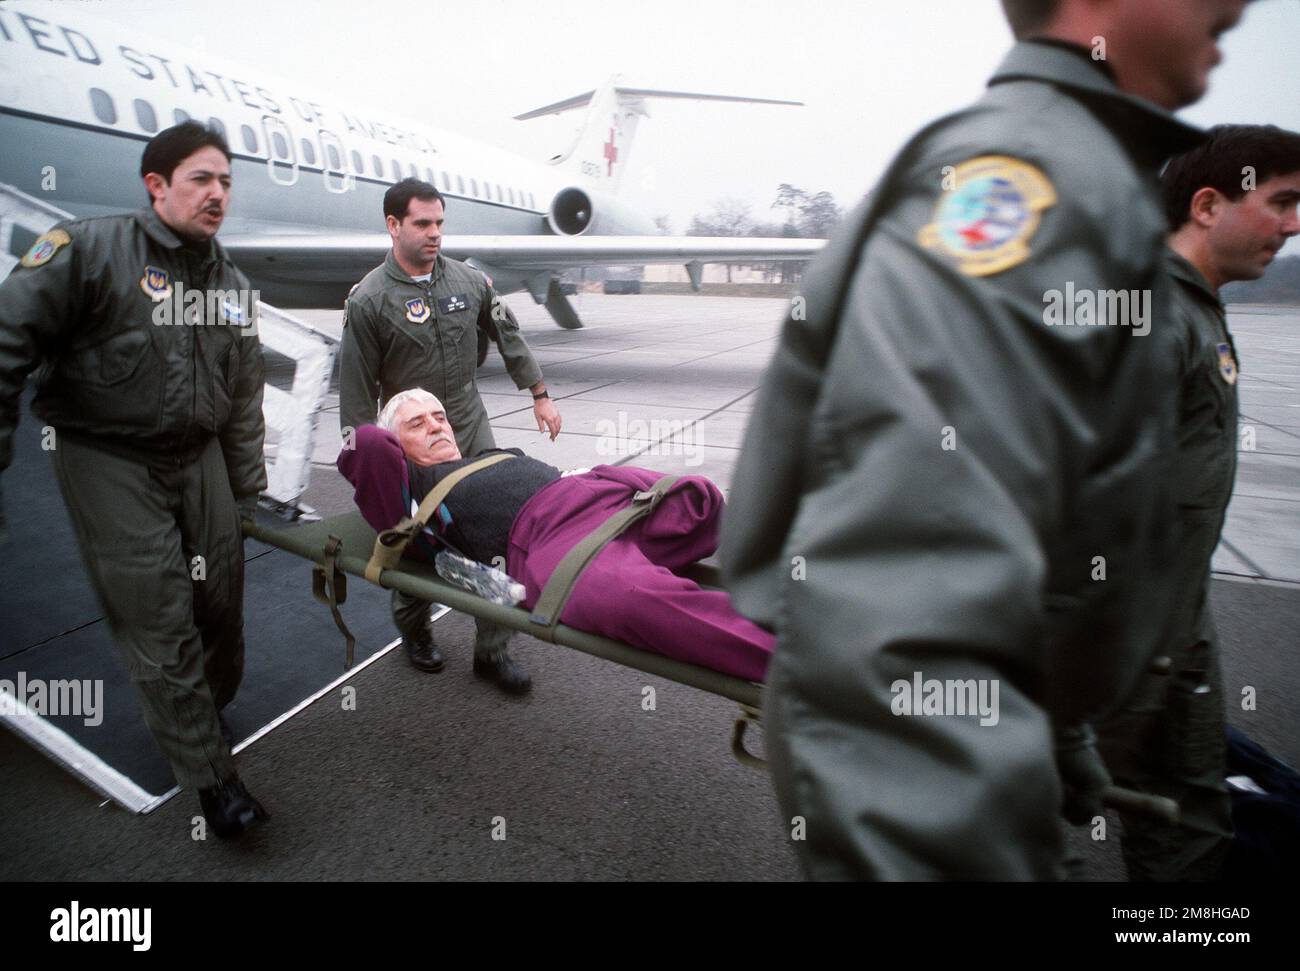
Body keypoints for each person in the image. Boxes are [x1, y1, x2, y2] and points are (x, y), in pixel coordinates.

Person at [720, 0, 1251, 879]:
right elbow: (904, 595)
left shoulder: (1082, 171)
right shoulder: (1029, 175)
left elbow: (1061, 522)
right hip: (925, 786)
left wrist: (1062, 723)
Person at [0, 122, 268, 837]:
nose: (218, 194)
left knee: (220, 601)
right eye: (201, 179)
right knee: (159, 611)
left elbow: (244, 397)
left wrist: (247, 491)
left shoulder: (233, 286)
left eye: (226, 181)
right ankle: (214, 781)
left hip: (198, 454)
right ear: (156, 185)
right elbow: (6, 340)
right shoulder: (88, 251)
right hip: (107, 452)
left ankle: (201, 709)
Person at [1098, 124, 1300, 881]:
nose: (1294, 224)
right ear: (1209, 205)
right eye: (1280, 202)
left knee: (1188, 832)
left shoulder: (1196, 309)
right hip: (1119, 648)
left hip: (1174, 638)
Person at [336, 389, 773, 683]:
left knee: (703, 501)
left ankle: (797, 586)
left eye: (440, 417)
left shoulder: (487, 454)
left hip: (597, 492)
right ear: (397, 447)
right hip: (548, 538)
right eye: (417, 424)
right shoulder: (414, 493)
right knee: (633, 598)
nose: (437, 427)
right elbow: (364, 445)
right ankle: (796, 659)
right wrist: (387, 434)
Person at [338, 178, 562, 691]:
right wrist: (362, 465)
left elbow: (509, 335)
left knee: (494, 536)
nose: (435, 233)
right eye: (422, 223)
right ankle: (415, 632)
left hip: (469, 426)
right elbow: (355, 396)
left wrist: (539, 392)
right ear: (393, 226)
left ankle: (492, 650)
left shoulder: (471, 283)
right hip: (412, 443)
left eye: (439, 222)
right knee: (417, 542)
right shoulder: (369, 301)